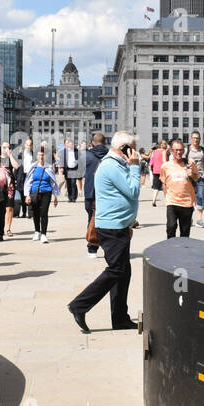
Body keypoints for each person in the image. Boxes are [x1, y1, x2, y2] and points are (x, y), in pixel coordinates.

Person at [67, 131, 141, 333]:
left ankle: (120, 318)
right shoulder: (110, 165)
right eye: (133, 148)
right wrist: (135, 166)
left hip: (119, 225)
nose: (136, 153)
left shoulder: (117, 164)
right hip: (112, 227)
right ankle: (79, 305)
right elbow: (134, 190)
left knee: (123, 272)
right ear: (124, 148)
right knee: (116, 270)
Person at [161, 138, 200, 238]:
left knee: (185, 232)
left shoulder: (190, 163)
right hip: (172, 202)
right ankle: (170, 249)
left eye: (181, 150)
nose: (179, 152)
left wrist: (191, 175)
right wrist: (167, 198)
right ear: (171, 151)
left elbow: (196, 178)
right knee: (171, 227)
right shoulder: (165, 166)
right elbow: (164, 183)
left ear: (183, 150)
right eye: (176, 150)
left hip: (187, 203)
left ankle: (183, 252)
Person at [81, 132, 109, 258]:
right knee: (107, 220)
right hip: (106, 193)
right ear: (105, 143)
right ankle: (108, 247)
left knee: (91, 219)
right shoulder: (111, 155)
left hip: (90, 192)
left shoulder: (86, 155)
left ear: (93, 143)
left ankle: (92, 248)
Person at [24, 148, 59, 242]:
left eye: (42, 155)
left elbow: (53, 182)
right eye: (39, 155)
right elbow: (28, 182)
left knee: (44, 213)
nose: (41, 157)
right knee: (35, 213)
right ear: (36, 156)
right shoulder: (33, 167)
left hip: (46, 192)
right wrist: (27, 195)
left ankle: (43, 234)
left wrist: (55, 197)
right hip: (34, 192)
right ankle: (37, 231)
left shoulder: (49, 167)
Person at [188, 131, 204, 227]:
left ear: (200, 139)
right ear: (191, 139)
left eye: (197, 138)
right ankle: (188, 218)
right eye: (194, 138)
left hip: (200, 177)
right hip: (188, 178)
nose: (196, 140)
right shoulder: (186, 150)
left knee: (200, 196)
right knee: (189, 199)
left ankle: (199, 219)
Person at [57, 135, 83, 202]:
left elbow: (80, 159)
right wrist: (61, 167)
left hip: (74, 169)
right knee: (68, 183)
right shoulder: (64, 151)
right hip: (67, 169)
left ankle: (74, 197)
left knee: (73, 183)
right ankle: (70, 197)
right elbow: (61, 160)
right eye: (69, 144)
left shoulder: (76, 151)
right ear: (67, 144)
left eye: (72, 144)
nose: (71, 145)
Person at [149, 140, 167, 206]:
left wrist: (151, 167)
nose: (166, 145)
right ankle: (167, 201)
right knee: (165, 186)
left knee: (156, 187)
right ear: (162, 145)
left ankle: (154, 201)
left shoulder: (155, 151)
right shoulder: (163, 151)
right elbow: (164, 160)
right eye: (165, 144)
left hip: (155, 170)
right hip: (162, 170)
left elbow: (152, 161)